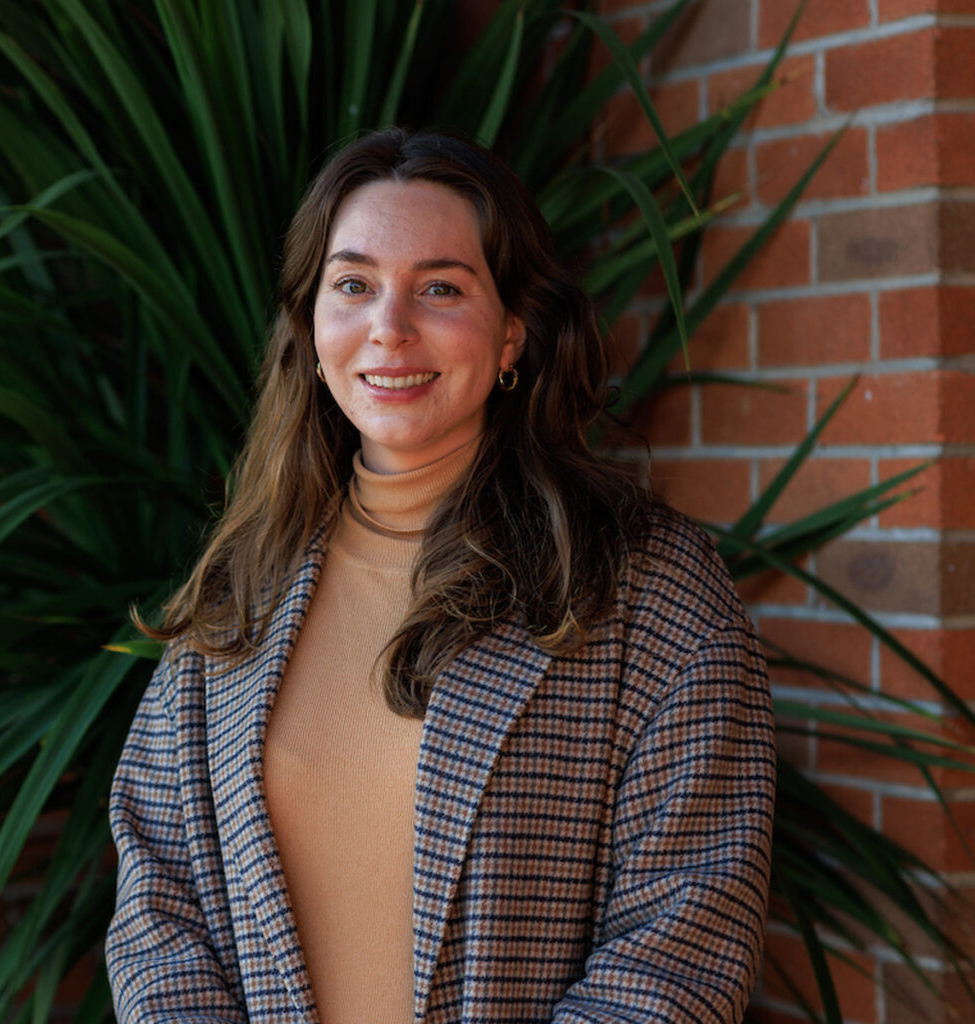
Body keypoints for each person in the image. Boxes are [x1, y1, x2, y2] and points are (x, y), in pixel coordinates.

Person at [105, 128, 775, 1024]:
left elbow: (684, 936)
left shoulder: (646, 587)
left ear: (512, 334)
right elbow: (160, 903)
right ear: (311, 329)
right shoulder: (244, 586)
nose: (390, 326)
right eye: (353, 285)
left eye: (440, 288)